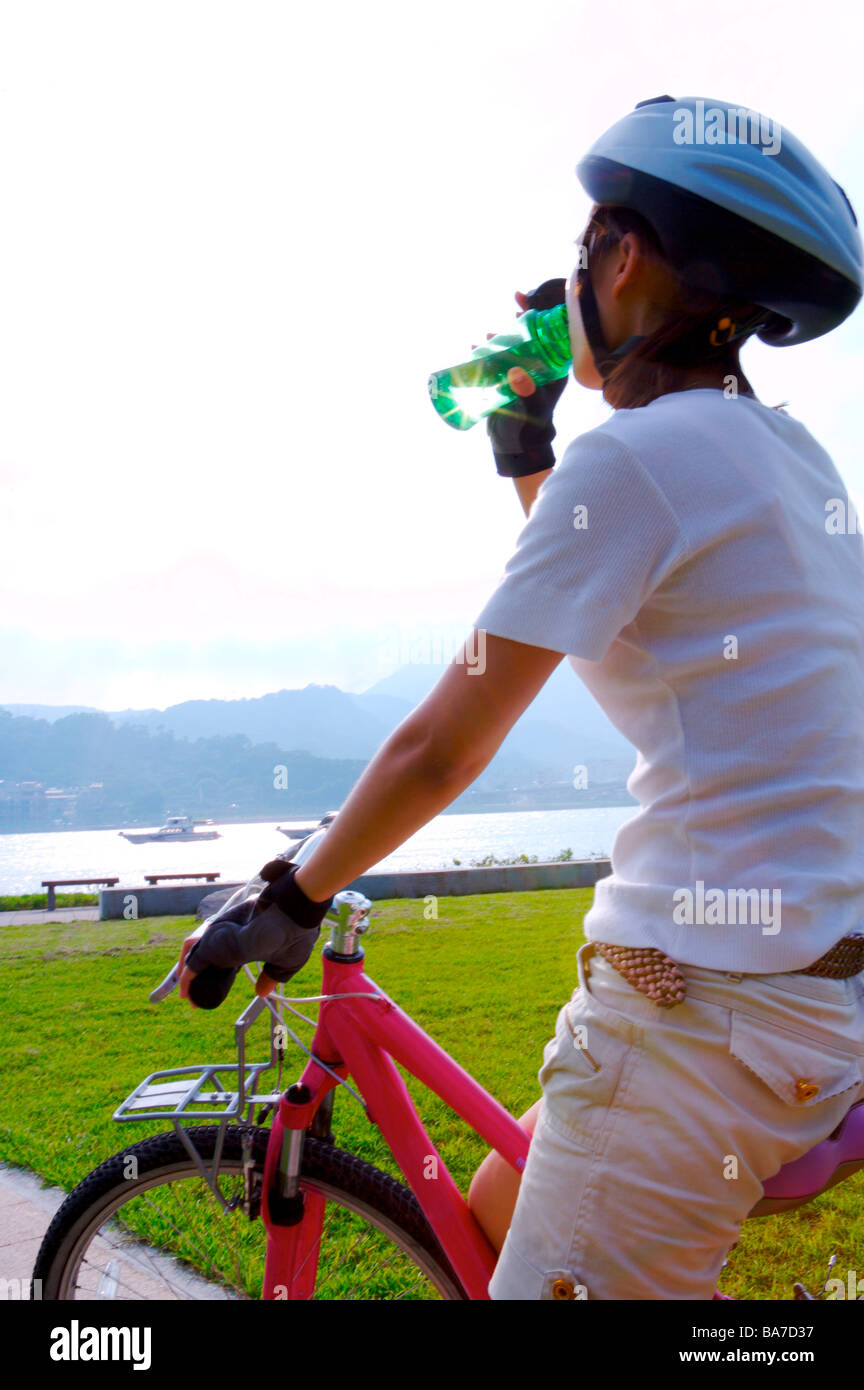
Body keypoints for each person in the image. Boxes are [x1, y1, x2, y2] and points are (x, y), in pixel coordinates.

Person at [178, 96, 864, 1300]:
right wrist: (528, 453)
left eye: (585, 251)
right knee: (485, 1222)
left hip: (696, 1026)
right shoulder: (785, 459)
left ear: (627, 257)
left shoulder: (642, 460)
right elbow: (632, 632)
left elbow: (446, 740)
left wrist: (296, 888)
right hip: (809, 997)